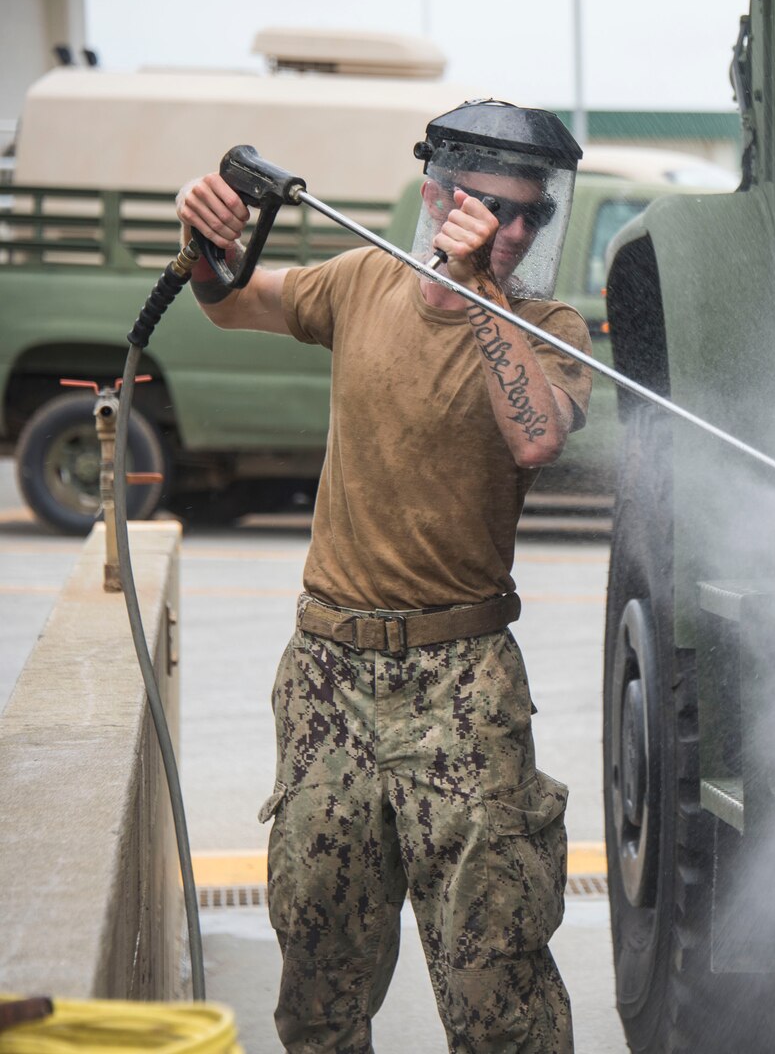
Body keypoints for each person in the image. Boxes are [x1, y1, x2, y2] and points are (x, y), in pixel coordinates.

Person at [176, 100, 590, 1054]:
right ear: (439, 194)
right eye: (496, 208)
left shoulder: (548, 324)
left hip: (464, 681)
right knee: (320, 964)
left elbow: (534, 435)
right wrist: (207, 241)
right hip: (330, 670)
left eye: (532, 214)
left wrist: (482, 282)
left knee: (498, 977)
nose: (518, 230)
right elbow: (235, 300)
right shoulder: (364, 280)